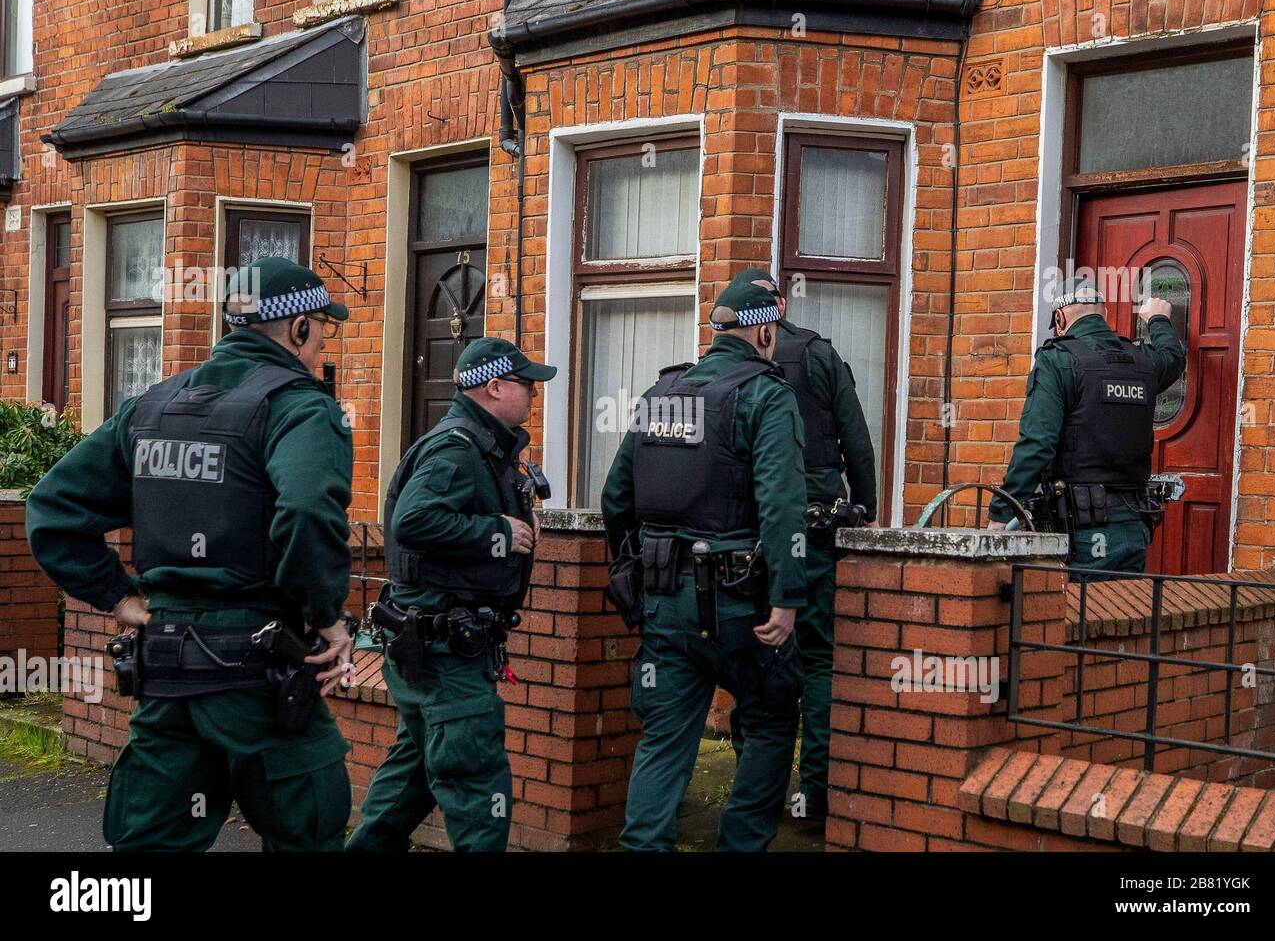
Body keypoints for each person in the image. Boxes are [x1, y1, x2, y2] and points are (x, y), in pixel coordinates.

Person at [26, 256, 357, 851]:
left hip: (167, 666)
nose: (320, 346)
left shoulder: (154, 404)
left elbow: (52, 509)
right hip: (258, 669)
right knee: (308, 824)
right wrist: (328, 616)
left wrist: (118, 596)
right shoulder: (300, 407)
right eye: (322, 331)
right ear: (300, 328)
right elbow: (308, 511)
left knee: (148, 843)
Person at [601, 271, 808, 851]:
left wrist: (631, 572)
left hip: (665, 599)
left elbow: (615, 499)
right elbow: (782, 504)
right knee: (769, 721)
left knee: (665, 738)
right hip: (741, 605)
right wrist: (787, 598)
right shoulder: (767, 395)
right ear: (764, 332)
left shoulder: (661, 393)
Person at [346, 337, 556, 852]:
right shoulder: (456, 448)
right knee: (479, 791)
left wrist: (512, 527)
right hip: (445, 657)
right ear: (494, 386)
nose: (533, 394)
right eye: (526, 384)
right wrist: (497, 533)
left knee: (408, 784)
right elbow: (414, 520)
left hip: (433, 650)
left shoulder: (480, 445)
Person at [723, 269, 879, 826]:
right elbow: (856, 441)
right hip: (814, 531)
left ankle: (753, 785)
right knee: (818, 661)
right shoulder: (818, 355)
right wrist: (866, 511)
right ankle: (813, 796)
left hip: (745, 535)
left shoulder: (722, 362)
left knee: (748, 657)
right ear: (781, 305)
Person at [988, 276, 1186, 573]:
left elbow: (1038, 443)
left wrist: (1002, 513)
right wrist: (1158, 319)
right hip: (1134, 525)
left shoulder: (1057, 360)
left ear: (1060, 317)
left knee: (1075, 615)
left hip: (1080, 529)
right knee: (1123, 612)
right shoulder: (1141, 361)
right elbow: (1173, 357)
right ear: (1103, 315)